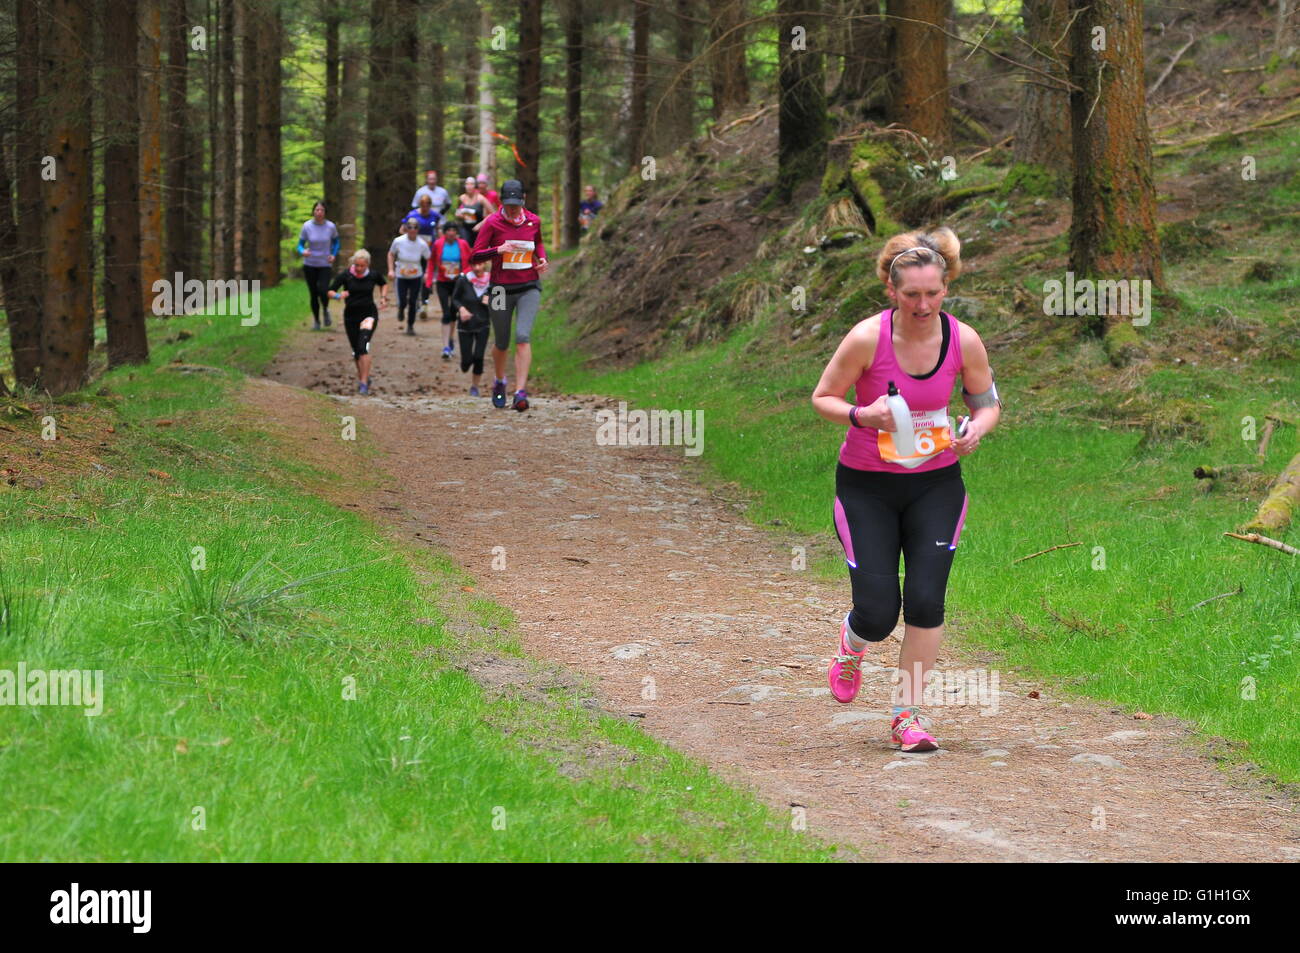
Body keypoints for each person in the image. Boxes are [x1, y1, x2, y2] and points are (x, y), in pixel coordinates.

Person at [810, 227, 1001, 753]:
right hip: (867, 488)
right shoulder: (867, 338)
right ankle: (852, 646)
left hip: (936, 485)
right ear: (891, 291)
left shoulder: (964, 340)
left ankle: (906, 715)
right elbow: (822, 396)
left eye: (933, 293)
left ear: (946, 289)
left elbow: (987, 402)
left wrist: (976, 431)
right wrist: (859, 414)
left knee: (924, 600)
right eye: (911, 294)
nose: (923, 304)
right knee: (877, 611)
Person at [470, 178, 547, 411]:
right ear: (502, 201)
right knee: (502, 341)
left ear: (523, 200)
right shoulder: (492, 223)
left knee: (523, 336)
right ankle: (500, 381)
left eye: (517, 203)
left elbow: (538, 244)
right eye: (509, 204)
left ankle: (520, 392)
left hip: (528, 287)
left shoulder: (534, 221)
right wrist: (497, 250)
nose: (513, 208)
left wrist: (541, 259)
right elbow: (475, 256)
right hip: (501, 289)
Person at [328, 249, 389, 395]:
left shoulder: (373, 275)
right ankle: (364, 378)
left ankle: (363, 382)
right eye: (357, 265)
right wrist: (338, 295)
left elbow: (383, 284)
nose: (359, 269)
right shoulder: (346, 275)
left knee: (363, 347)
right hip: (350, 316)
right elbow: (330, 291)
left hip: (368, 315)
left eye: (362, 266)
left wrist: (383, 297)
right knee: (356, 351)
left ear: (367, 264)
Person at [424, 222, 473, 360]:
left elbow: (470, 261)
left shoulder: (463, 244)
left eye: (454, 230)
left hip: (458, 282)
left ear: (457, 233)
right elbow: (432, 262)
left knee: (453, 312)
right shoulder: (438, 244)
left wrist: (467, 276)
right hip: (443, 282)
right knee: (446, 313)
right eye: (448, 230)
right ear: (444, 232)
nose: (451, 233)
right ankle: (445, 347)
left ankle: (450, 338)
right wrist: (428, 280)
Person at [450, 258, 493, 396]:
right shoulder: (464, 280)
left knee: (479, 357)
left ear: (485, 264)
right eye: (473, 264)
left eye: (479, 264)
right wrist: (461, 309)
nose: (476, 267)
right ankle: (465, 364)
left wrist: (491, 302)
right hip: (465, 325)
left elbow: (502, 304)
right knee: (467, 361)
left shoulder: (492, 281)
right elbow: (454, 299)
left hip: (483, 324)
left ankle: (475, 386)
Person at [297, 201, 340, 329]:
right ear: (313, 212)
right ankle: (316, 321)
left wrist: (333, 254)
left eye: (322, 210)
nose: (319, 212)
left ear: (325, 212)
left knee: (323, 290)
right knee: (313, 293)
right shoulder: (307, 226)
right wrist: (302, 251)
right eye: (317, 210)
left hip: (325, 264)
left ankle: (326, 310)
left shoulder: (331, 227)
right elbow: (300, 244)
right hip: (310, 264)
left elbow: (337, 242)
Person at [401, 195, 442, 320]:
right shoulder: (412, 215)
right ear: (419, 205)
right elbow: (402, 230)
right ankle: (411, 299)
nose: (425, 208)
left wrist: (440, 244)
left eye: (427, 205)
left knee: (426, 277)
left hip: (428, 251)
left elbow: (438, 231)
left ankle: (424, 302)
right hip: (413, 251)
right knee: (413, 276)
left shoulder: (435, 215)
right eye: (423, 205)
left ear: (430, 205)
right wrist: (413, 238)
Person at [388, 218, 430, 335]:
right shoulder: (398, 241)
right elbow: (391, 254)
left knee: (413, 301)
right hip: (401, 275)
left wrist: (427, 273)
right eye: (410, 227)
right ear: (406, 228)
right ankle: (401, 309)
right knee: (402, 300)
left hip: (416, 276)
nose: (412, 230)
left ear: (418, 229)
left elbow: (429, 259)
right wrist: (391, 270)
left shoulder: (422, 244)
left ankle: (410, 325)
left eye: (415, 227)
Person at [453, 176, 496, 244]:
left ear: (475, 186)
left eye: (471, 184)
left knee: (477, 250)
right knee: (465, 248)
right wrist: (460, 215)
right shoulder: (462, 197)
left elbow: (493, 213)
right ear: (465, 186)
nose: (469, 186)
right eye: (467, 184)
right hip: (465, 229)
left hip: (478, 229)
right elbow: (457, 212)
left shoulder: (481, 198)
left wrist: (480, 224)